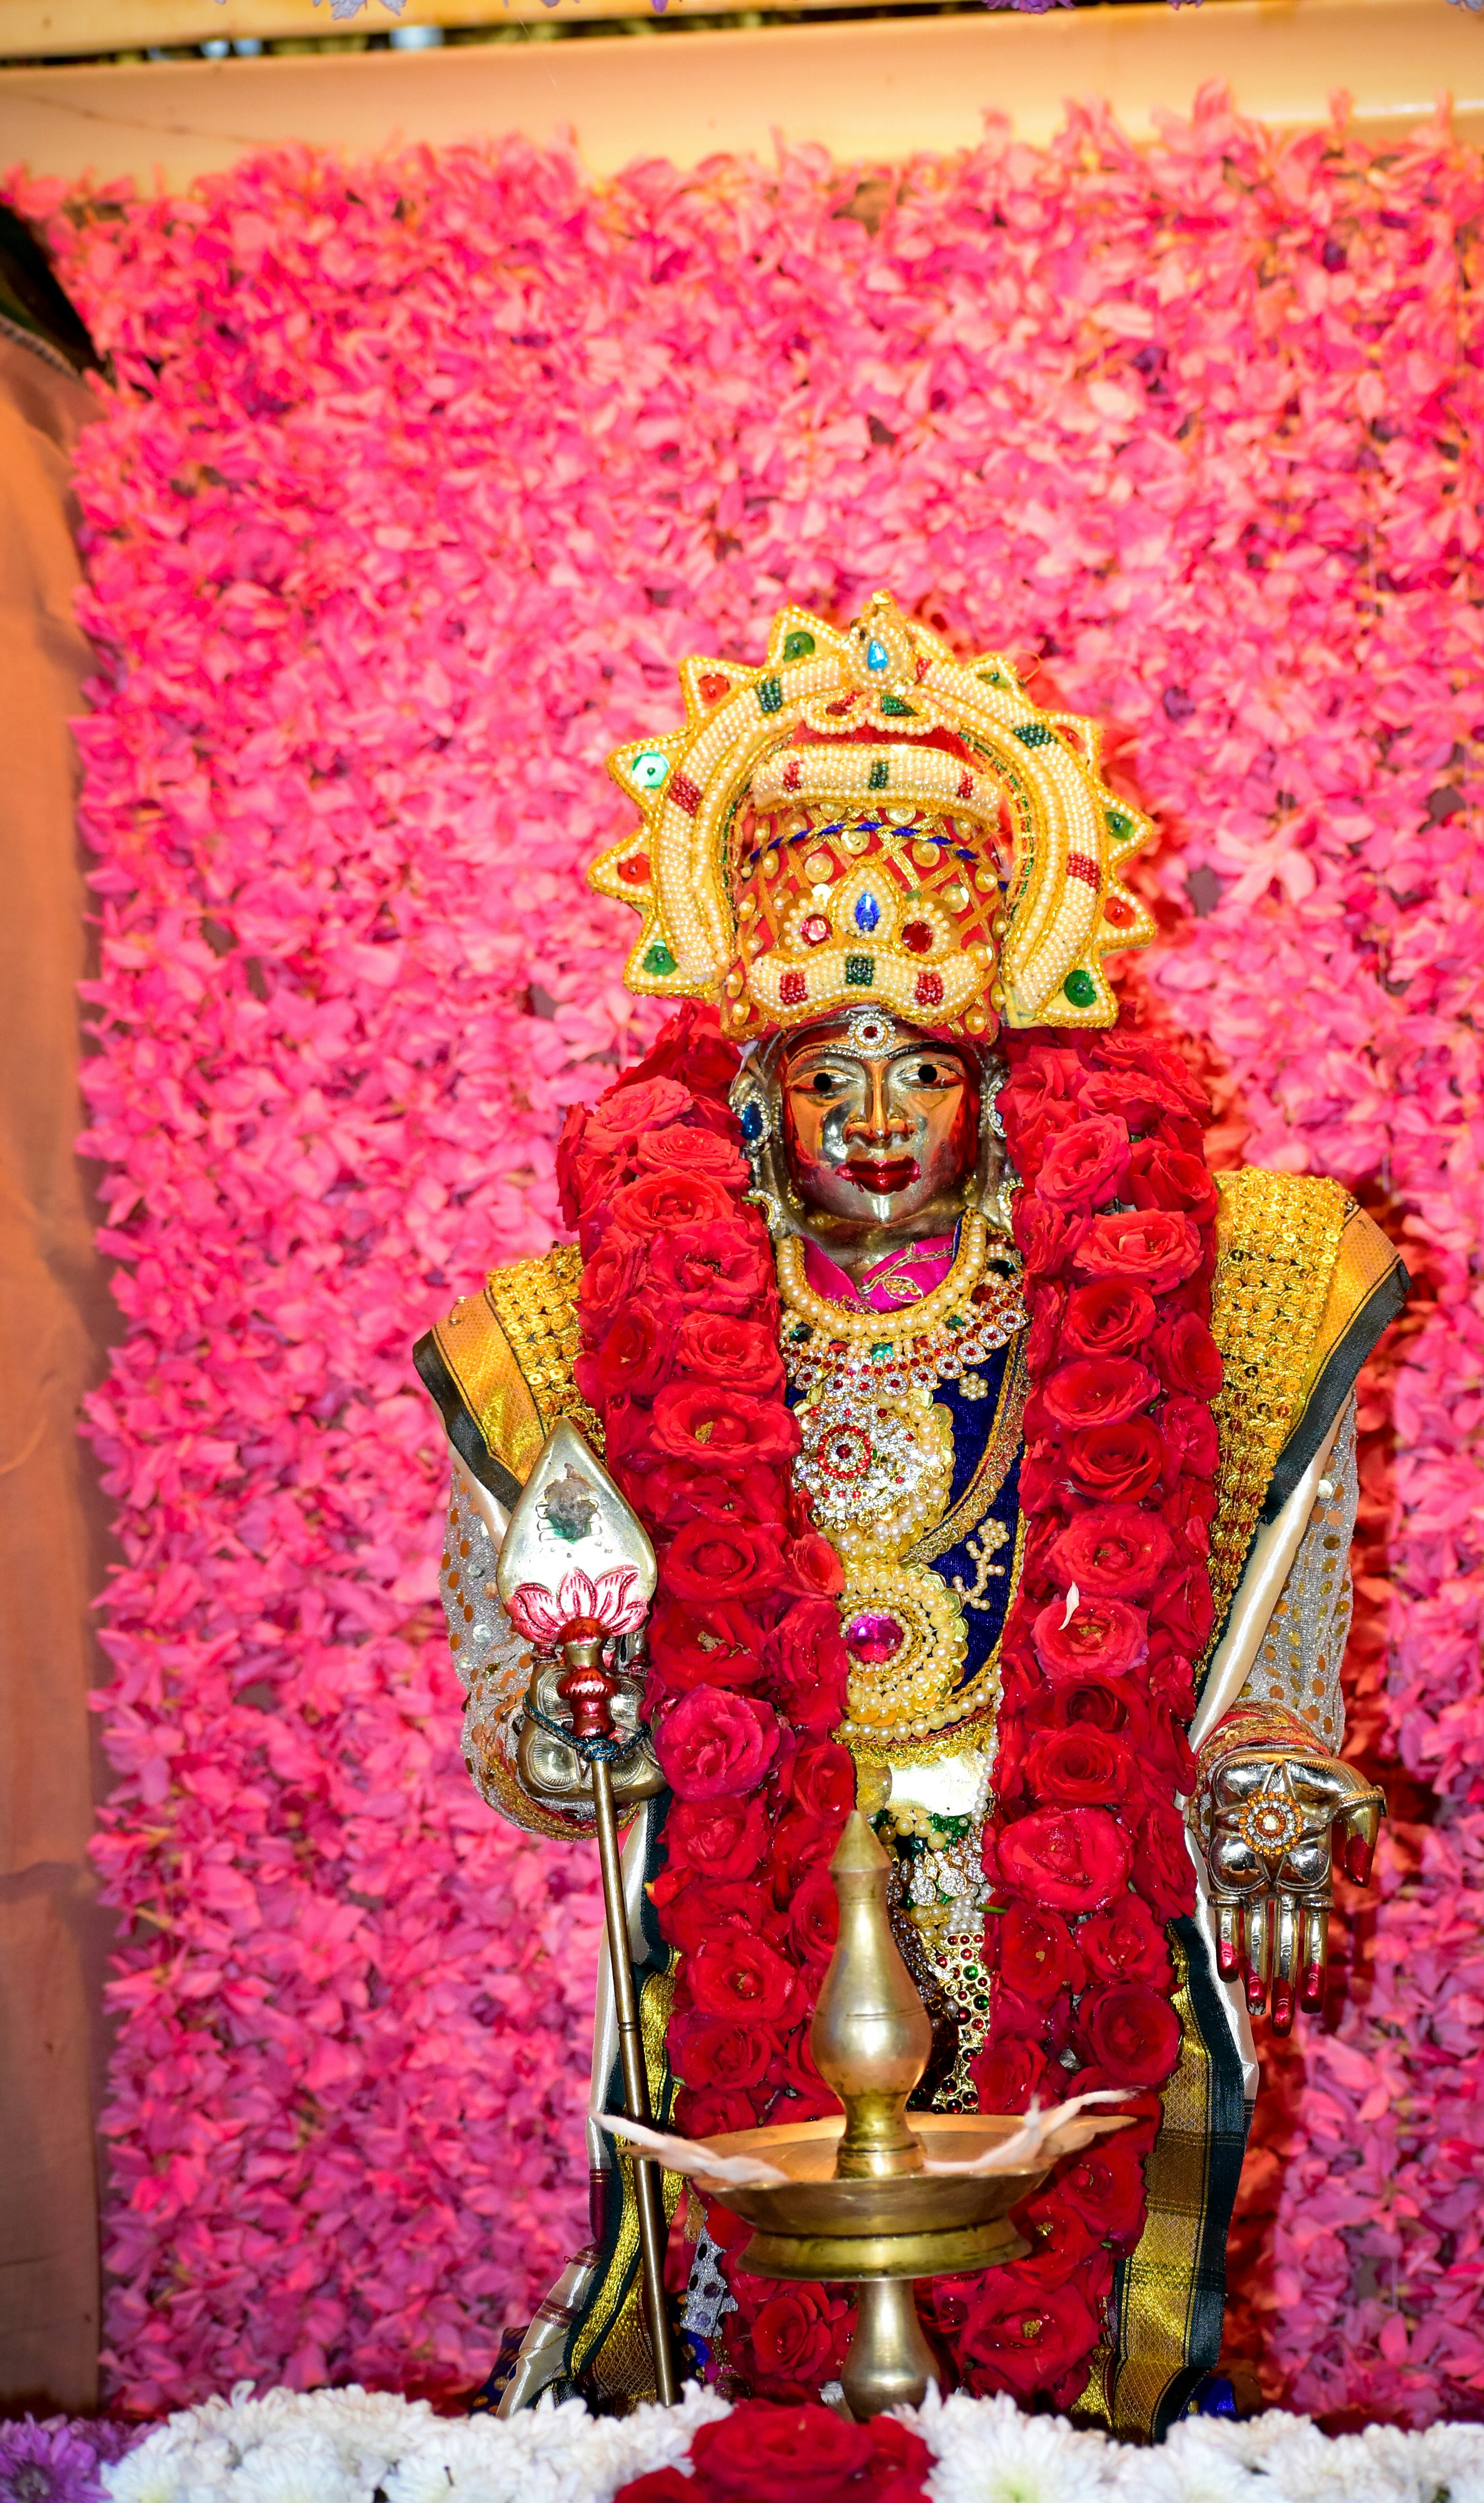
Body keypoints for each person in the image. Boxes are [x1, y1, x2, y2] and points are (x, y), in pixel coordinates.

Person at [414, 592, 1406, 2434]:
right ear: (759, 1102)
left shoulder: (1204, 1289)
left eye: (921, 1070)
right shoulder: (585, 1339)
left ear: (998, 1087)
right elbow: (533, 1746)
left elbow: (1276, 1620)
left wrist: (1273, 1762)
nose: (874, 1120)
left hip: (1076, 1894)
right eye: (827, 1075)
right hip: (747, 1912)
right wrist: (579, 1728)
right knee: (752, 2369)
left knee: (1077, 2368)